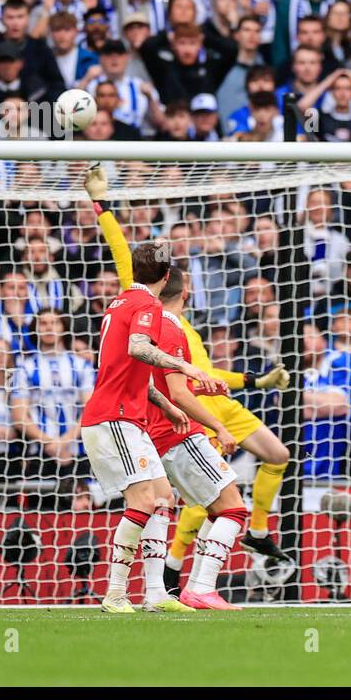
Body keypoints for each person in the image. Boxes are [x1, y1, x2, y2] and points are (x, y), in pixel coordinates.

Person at [85, 167, 294, 587]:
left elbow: (207, 374)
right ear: (179, 286)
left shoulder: (180, 327)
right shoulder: (150, 314)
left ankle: (246, 537)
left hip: (211, 409)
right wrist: (102, 206)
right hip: (185, 415)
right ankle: (178, 574)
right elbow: (123, 255)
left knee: (273, 458)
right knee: (204, 499)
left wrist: (252, 383)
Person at [79, 237, 227, 614]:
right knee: (145, 500)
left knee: (163, 496)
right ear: (166, 275)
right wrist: (186, 366)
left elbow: (135, 374)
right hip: (114, 417)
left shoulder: (119, 303)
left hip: (125, 416)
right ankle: (114, 593)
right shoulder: (146, 304)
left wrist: (167, 405)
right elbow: (139, 349)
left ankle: (156, 593)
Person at [148, 264, 250, 611]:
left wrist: (207, 385)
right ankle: (201, 587)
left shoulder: (147, 327)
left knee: (213, 509)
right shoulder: (173, 329)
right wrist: (220, 427)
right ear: (186, 294)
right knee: (234, 509)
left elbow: (170, 385)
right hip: (178, 434)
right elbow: (177, 393)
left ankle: (189, 588)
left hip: (157, 435)